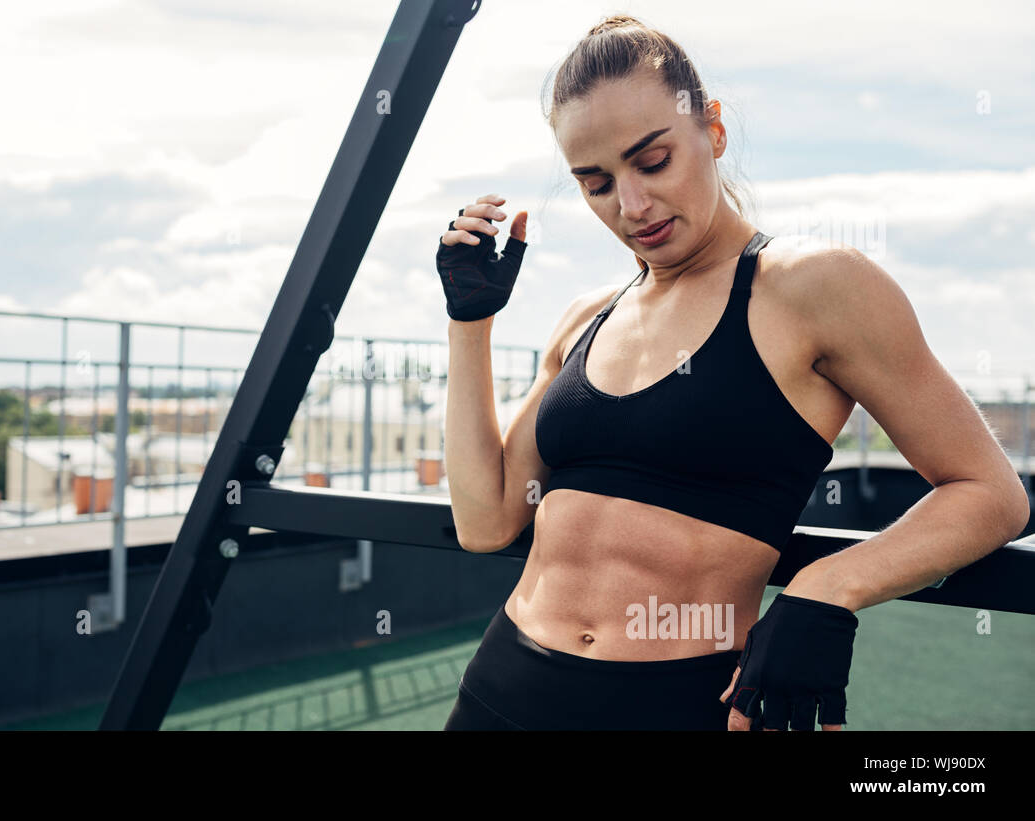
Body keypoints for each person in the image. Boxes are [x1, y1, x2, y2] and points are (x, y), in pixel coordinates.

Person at [436, 15, 1030, 731]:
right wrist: (469, 323)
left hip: (680, 706)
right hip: (501, 692)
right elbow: (485, 519)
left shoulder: (813, 286)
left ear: (712, 131)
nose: (631, 206)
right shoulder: (585, 317)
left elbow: (991, 493)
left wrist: (829, 583)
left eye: (652, 161)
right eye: (596, 183)